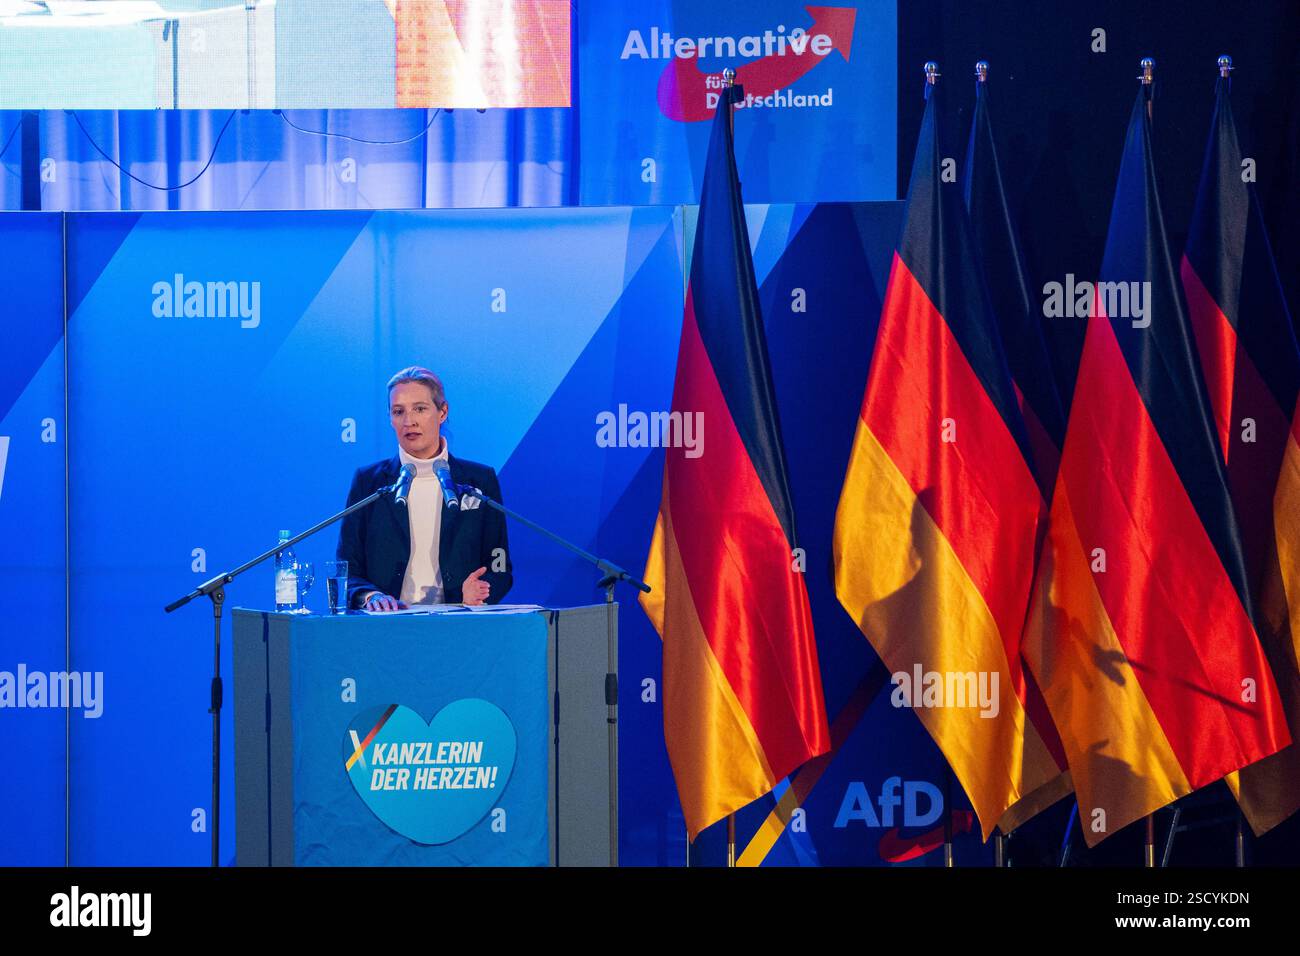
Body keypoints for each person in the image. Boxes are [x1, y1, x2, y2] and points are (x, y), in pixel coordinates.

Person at [336, 366, 512, 611]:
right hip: (385, 627)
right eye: (399, 411)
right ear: (390, 418)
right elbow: (347, 568)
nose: (409, 421)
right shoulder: (369, 482)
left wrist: (479, 593)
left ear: (442, 412)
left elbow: (499, 567)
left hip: (458, 625)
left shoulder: (479, 481)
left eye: (420, 408)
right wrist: (370, 596)